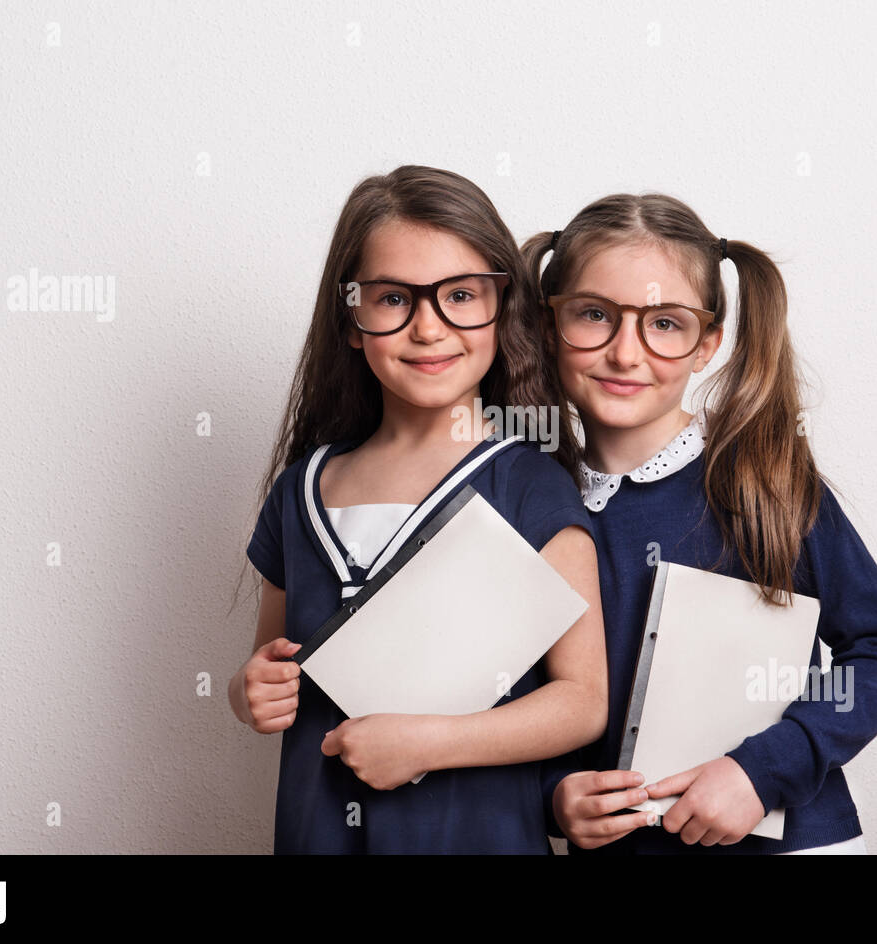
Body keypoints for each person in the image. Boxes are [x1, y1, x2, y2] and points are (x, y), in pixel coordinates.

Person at [523, 195, 877, 854]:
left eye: (665, 324)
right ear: (547, 325)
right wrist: (554, 796)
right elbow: (517, 698)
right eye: (593, 315)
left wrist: (760, 773)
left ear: (706, 344)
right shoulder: (527, 507)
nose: (627, 353)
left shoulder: (766, 486)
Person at [231, 165, 607, 853]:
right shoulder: (300, 489)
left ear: (502, 308)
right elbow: (269, 659)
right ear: (352, 318)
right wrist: (249, 691)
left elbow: (582, 701)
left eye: (460, 295)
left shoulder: (530, 487)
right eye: (394, 299)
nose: (428, 328)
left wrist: (430, 742)